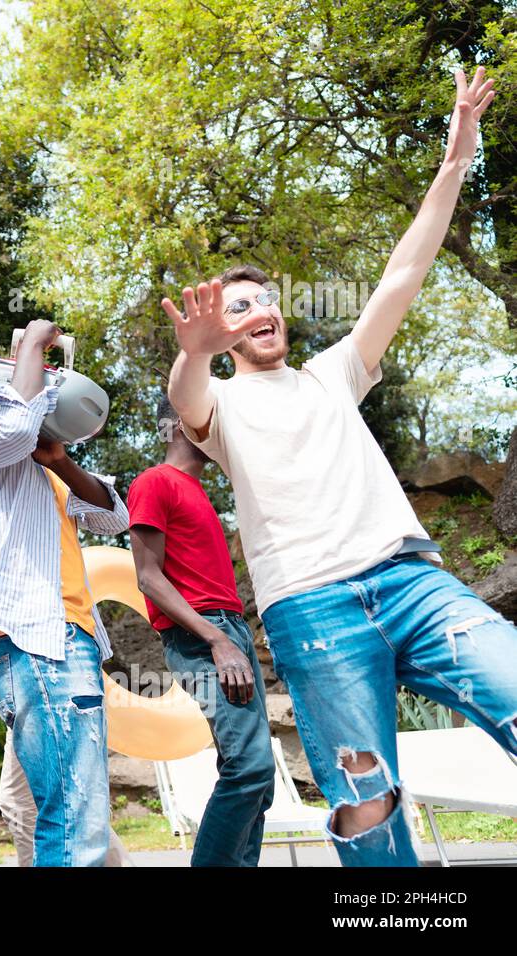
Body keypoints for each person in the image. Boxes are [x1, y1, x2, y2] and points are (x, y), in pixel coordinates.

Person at [164, 68, 516, 866]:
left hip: (412, 582)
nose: (259, 312)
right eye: (238, 306)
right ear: (223, 334)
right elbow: (188, 393)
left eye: (265, 300)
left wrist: (455, 161)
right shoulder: (218, 405)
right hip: (312, 611)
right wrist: (193, 352)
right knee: (369, 800)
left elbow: (404, 273)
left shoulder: (336, 372)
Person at [0, 319, 129, 867]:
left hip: (65, 637)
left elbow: (113, 516)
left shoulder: (49, 469)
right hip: (38, 639)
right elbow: (15, 423)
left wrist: (62, 462)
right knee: (74, 812)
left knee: (74, 807)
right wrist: (33, 341)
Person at [127, 393, 273, 866]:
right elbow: (148, 576)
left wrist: (233, 637)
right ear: (174, 426)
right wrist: (216, 641)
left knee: (259, 775)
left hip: (230, 632)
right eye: (205, 417)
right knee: (248, 766)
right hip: (203, 637)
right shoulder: (154, 482)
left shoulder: (201, 493)